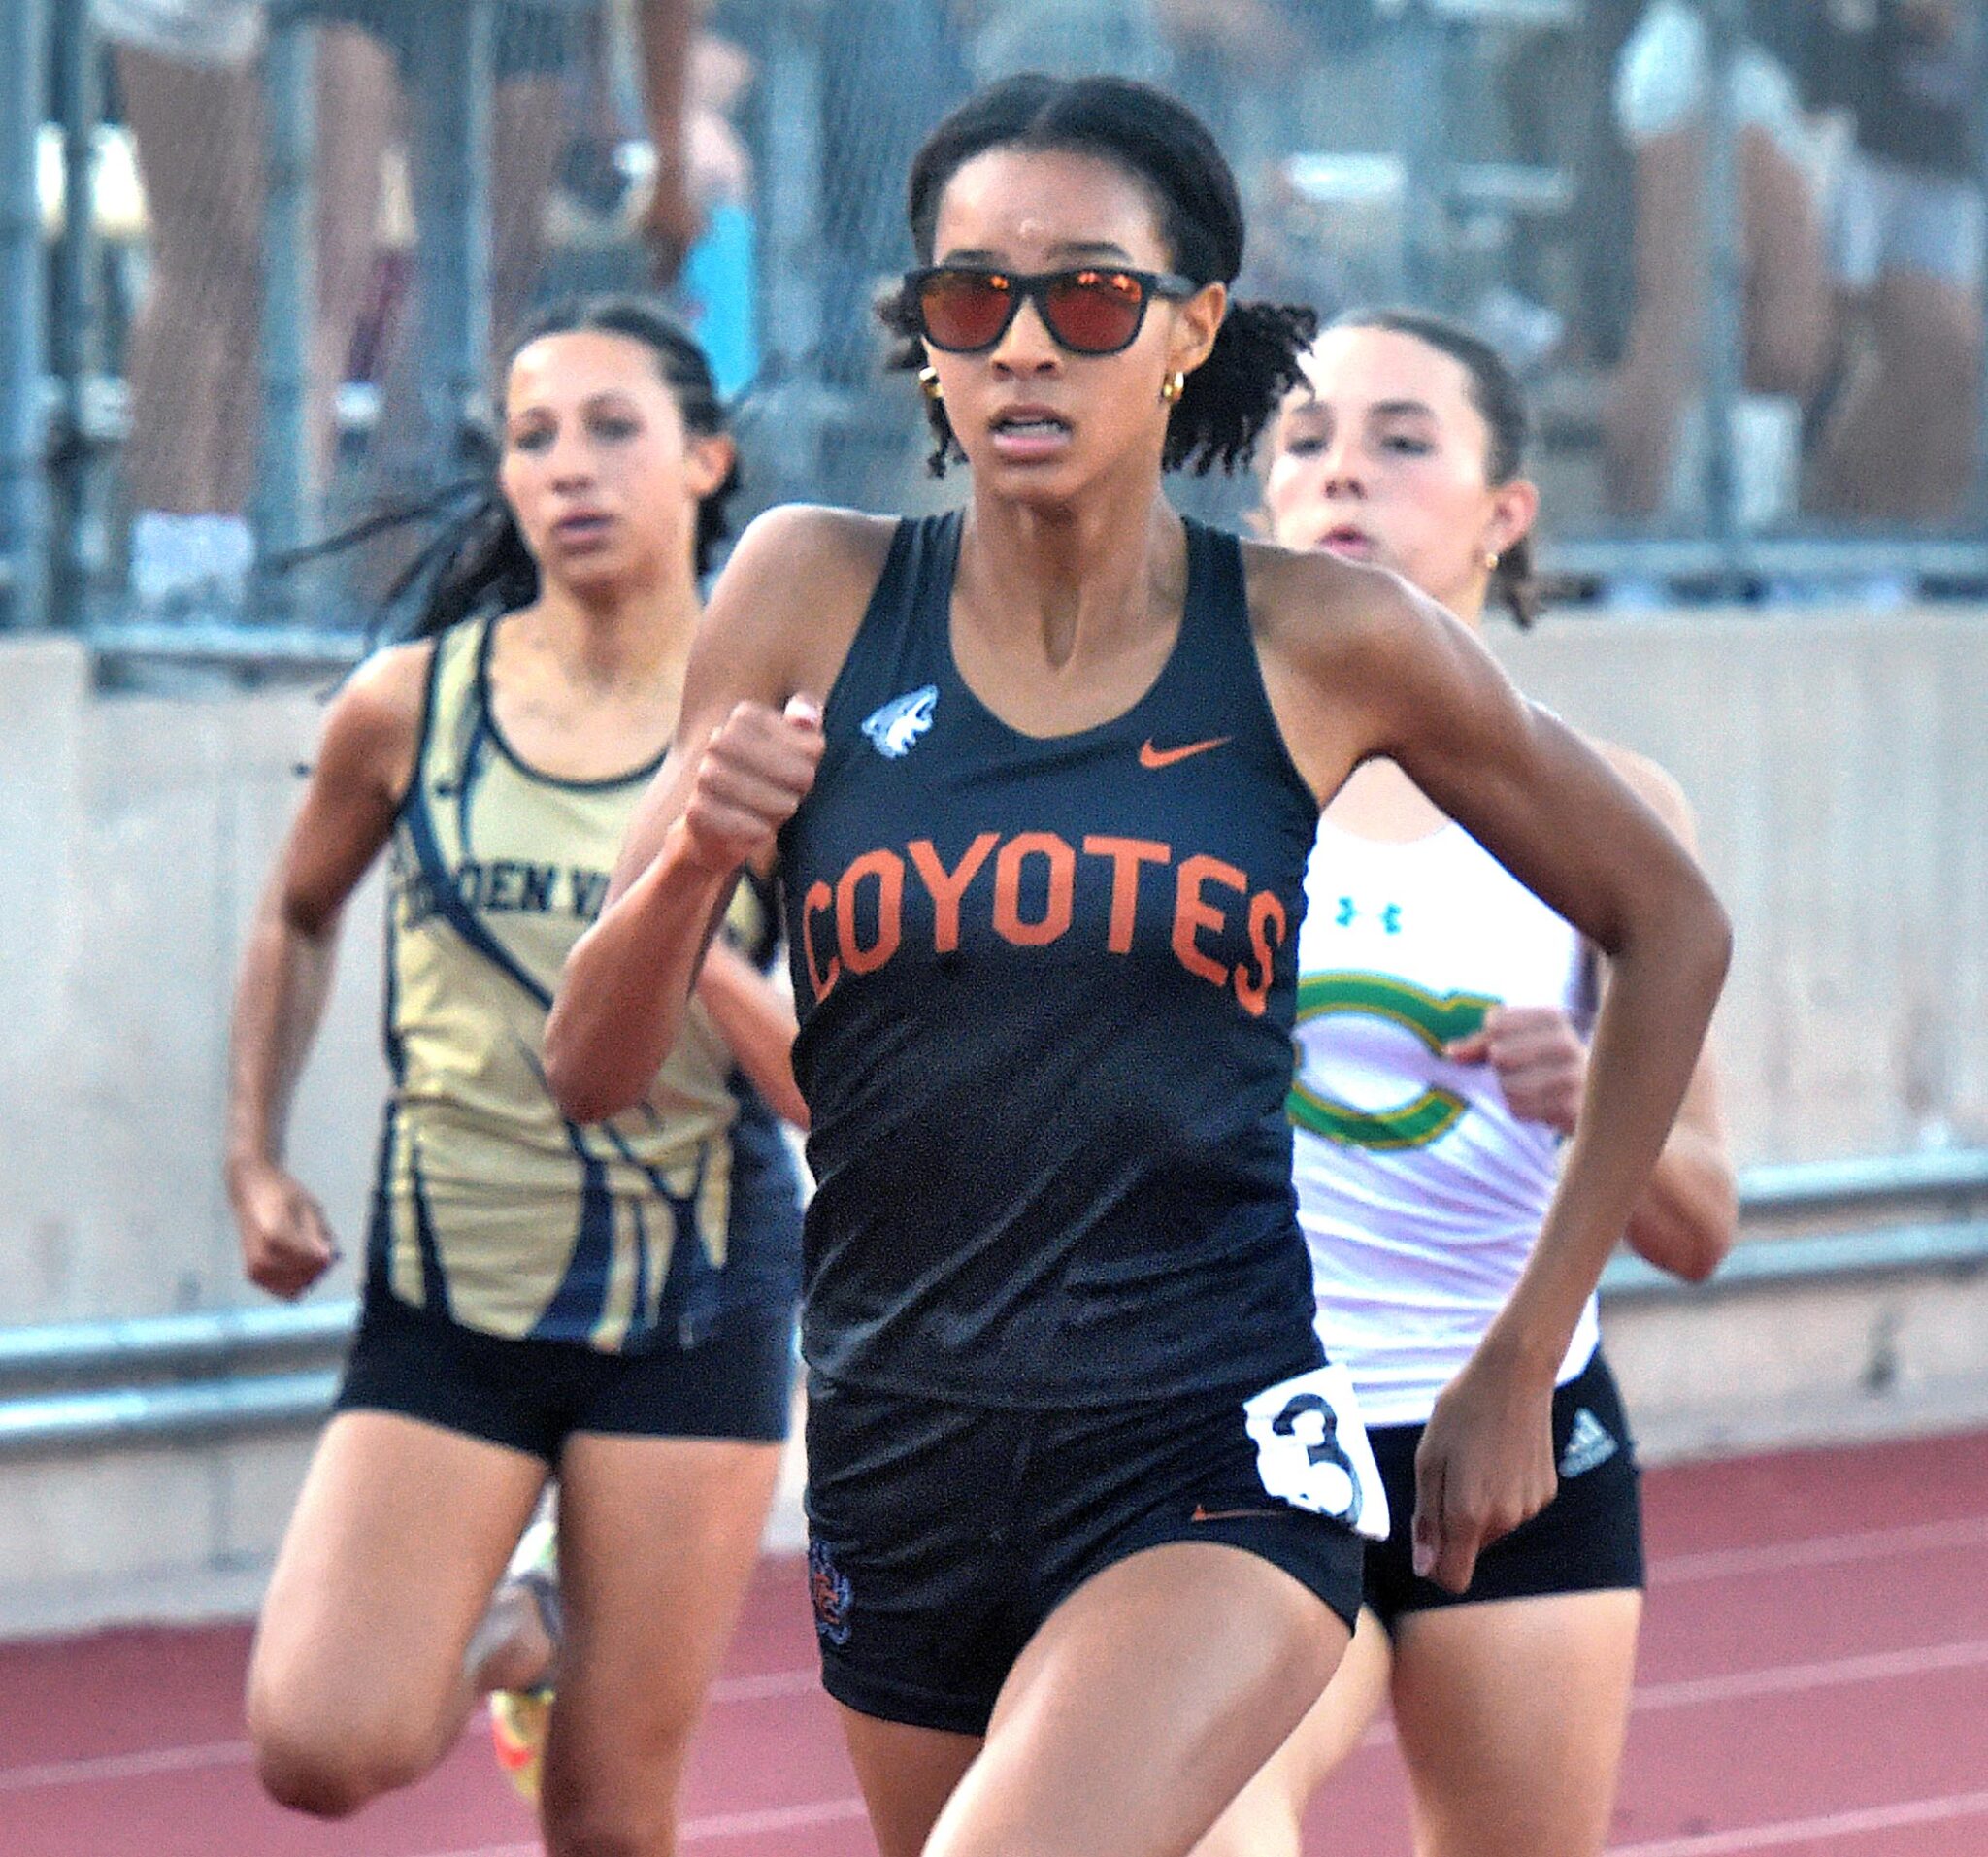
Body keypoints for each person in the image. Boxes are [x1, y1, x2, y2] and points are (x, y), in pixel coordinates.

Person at [546, 75, 1732, 1857]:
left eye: (1085, 297)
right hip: (896, 1437)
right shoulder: (802, 590)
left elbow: (1668, 922)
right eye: (969, 298)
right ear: (924, 339)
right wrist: (693, 862)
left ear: (1186, 331)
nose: (1022, 345)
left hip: (1204, 1444)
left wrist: (1525, 1344)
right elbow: (590, 1058)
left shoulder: (1323, 638)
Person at [226, 296, 804, 1854]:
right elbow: (295, 911)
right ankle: (517, 1632)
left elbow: (838, 1087)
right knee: (319, 1744)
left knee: (610, 1820)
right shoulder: (409, 706)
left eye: (613, 428)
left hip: (693, 1300)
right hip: (449, 1291)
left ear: (706, 462)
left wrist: (691, 917)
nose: (568, 466)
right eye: (533, 436)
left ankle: (556, 1629)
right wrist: (254, 1157)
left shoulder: (778, 728)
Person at [1190, 309, 1738, 1857]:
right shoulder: (1201, 795)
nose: (1343, 472)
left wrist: (1588, 1106)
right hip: (1252, 1440)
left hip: (1517, 1437)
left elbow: (1702, 1225)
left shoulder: (1613, 815)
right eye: (1304, 442)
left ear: (1508, 513)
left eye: (1402, 439)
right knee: (1202, 1825)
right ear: (1262, 510)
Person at [1814, 0, 1985, 526]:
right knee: (1818, 348)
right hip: (1850, 137)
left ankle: (1915, 551)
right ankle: (1822, 532)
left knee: (1948, 357)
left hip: (1946, 158)